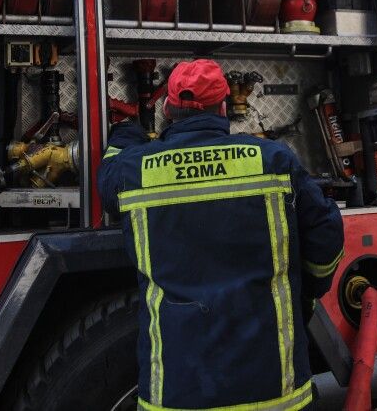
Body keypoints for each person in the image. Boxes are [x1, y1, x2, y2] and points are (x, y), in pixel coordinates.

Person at [99, 58, 344, 411]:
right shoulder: (273, 159)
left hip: (179, 395)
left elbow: (107, 176)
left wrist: (126, 135)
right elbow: (326, 232)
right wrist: (308, 289)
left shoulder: (132, 169)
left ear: (168, 108)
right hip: (275, 392)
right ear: (224, 108)